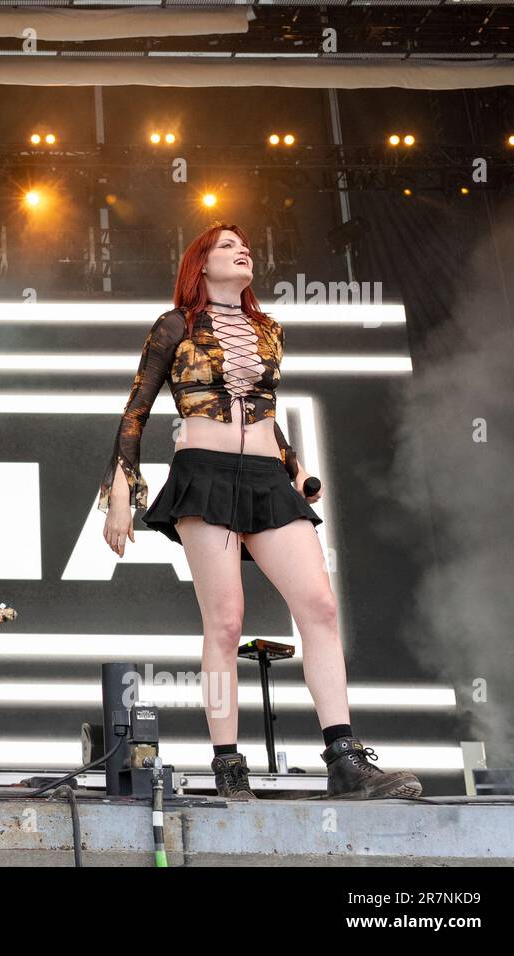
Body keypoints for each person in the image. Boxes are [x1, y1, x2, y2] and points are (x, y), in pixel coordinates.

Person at [98, 222, 422, 801]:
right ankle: (228, 764)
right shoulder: (176, 325)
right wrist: (122, 489)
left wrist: (295, 467)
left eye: (244, 246)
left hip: (269, 477)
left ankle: (344, 758)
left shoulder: (268, 329)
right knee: (225, 624)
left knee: (320, 608)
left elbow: (266, 411)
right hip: (205, 473)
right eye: (226, 245)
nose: (241, 250)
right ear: (200, 264)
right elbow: (136, 410)